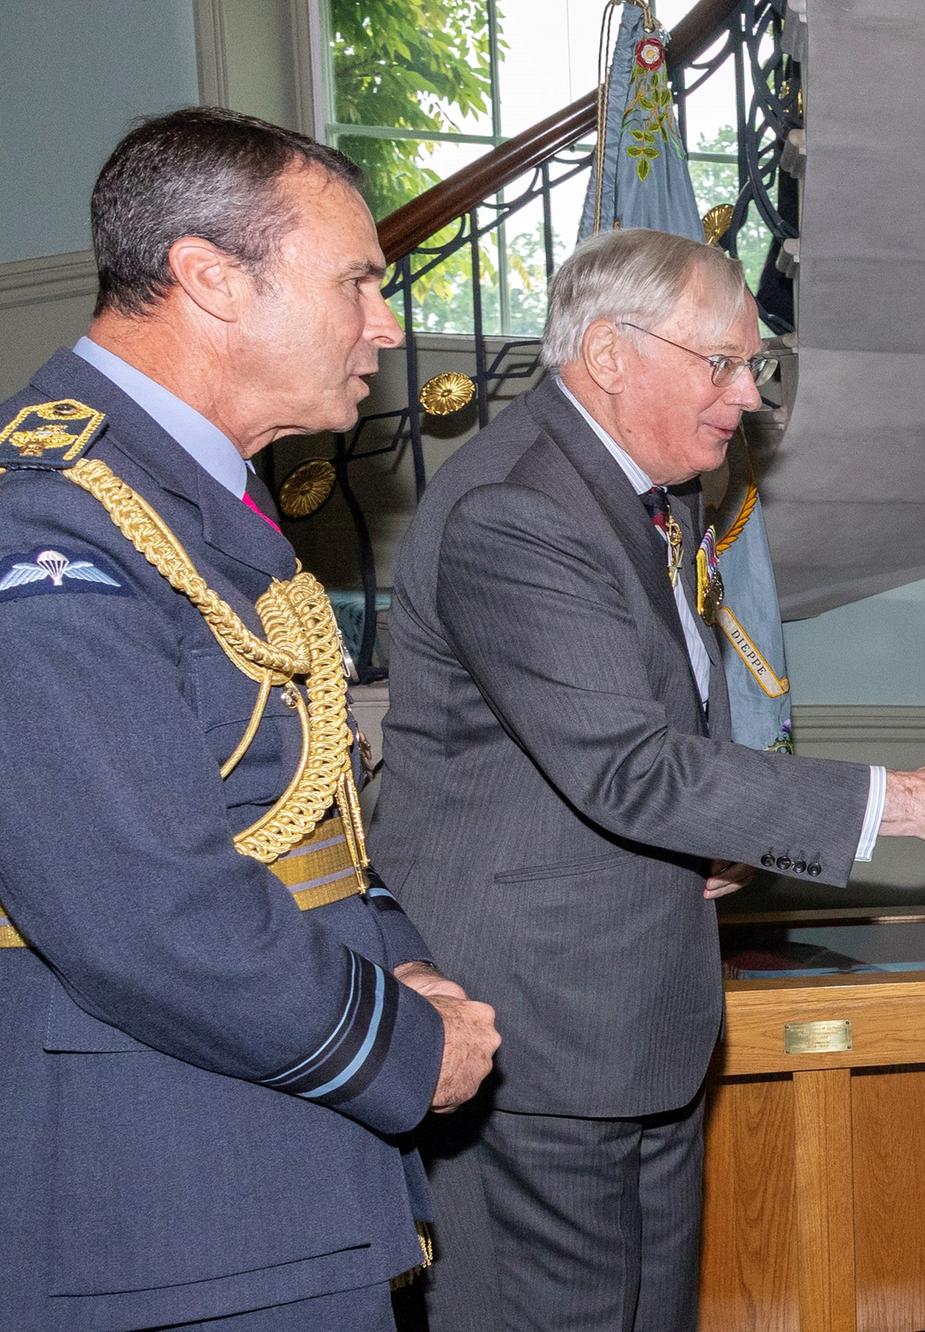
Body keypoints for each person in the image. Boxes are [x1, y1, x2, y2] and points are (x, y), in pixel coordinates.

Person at [368, 226, 925, 1331]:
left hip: (641, 1017)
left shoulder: (647, 496)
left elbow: (622, 742)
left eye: (755, 367)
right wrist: (909, 801)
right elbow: (628, 768)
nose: (750, 398)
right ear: (611, 355)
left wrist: (706, 847)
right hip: (537, 1027)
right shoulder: (517, 508)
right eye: (720, 364)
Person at [0, 107, 499, 1332]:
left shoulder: (187, 491)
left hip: (255, 1146)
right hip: (163, 1194)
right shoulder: (52, 524)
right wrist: (397, 1044)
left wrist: (401, 960)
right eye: (356, 284)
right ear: (212, 280)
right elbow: (139, 908)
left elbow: (297, 808)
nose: (386, 325)